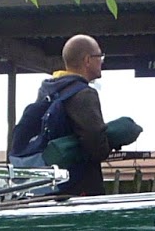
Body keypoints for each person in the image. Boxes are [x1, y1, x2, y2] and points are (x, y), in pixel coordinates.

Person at [37, 34, 113, 196]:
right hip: (79, 187)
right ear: (87, 60)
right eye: (99, 56)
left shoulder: (48, 90)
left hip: (52, 183)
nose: (101, 61)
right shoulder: (84, 94)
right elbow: (96, 146)